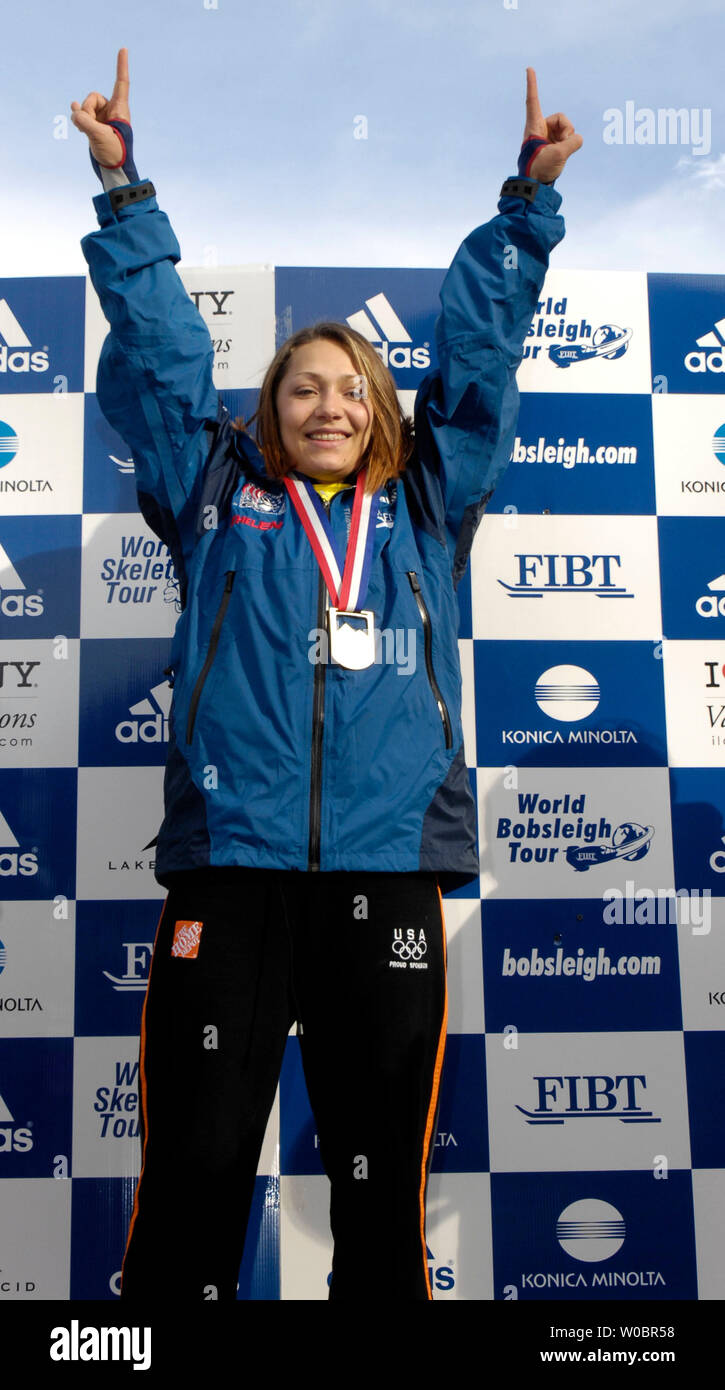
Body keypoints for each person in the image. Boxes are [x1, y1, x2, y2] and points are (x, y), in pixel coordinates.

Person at [72, 51, 581, 1302]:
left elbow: (481, 360)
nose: (329, 404)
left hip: (383, 880)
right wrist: (126, 195)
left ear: (381, 414)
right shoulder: (213, 490)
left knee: (377, 1216)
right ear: (269, 407)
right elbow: (160, 348)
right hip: (231, 883)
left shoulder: (424, 504)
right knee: (187, 1202)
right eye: (303, 387)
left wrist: (524, 213)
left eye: (352, 388)